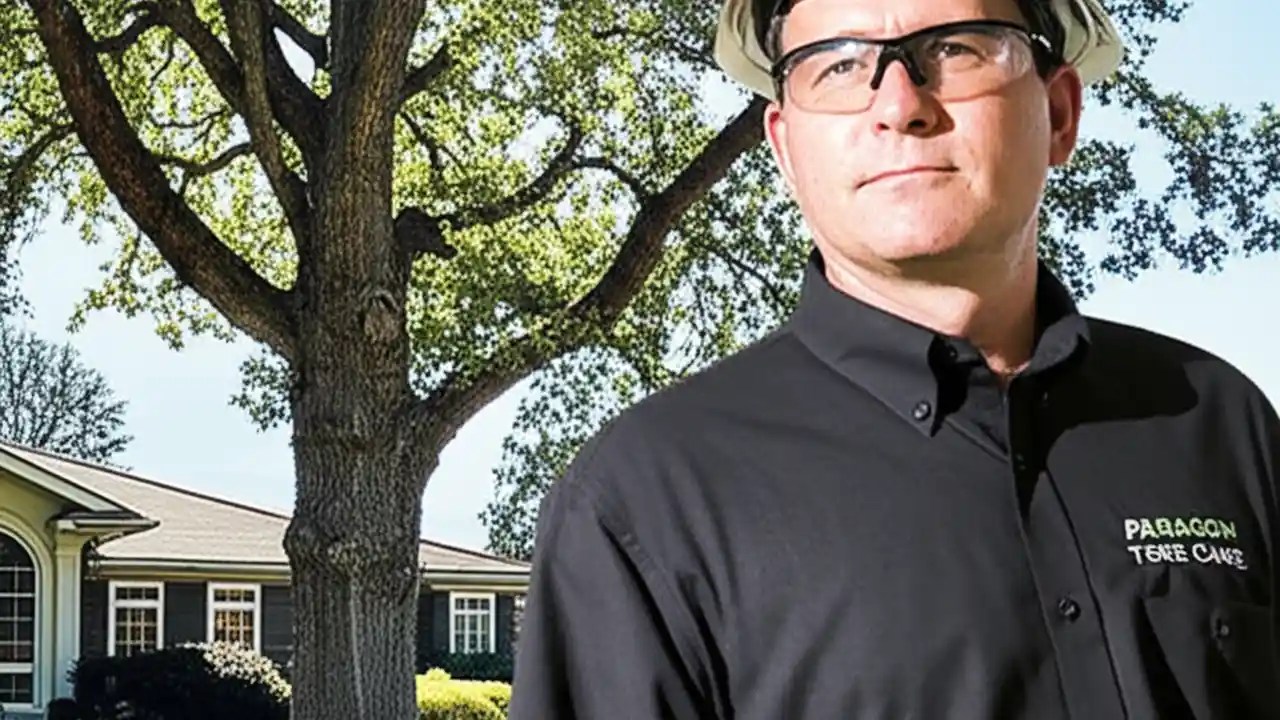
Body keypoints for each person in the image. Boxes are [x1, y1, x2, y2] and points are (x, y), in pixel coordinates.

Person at [508, 0, 1280, 717]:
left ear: (1059, 113)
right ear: (783, 145)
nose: (900, 105)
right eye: (839, 64)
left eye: (955, 47)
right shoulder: (643, 499)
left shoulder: (1223, 422)